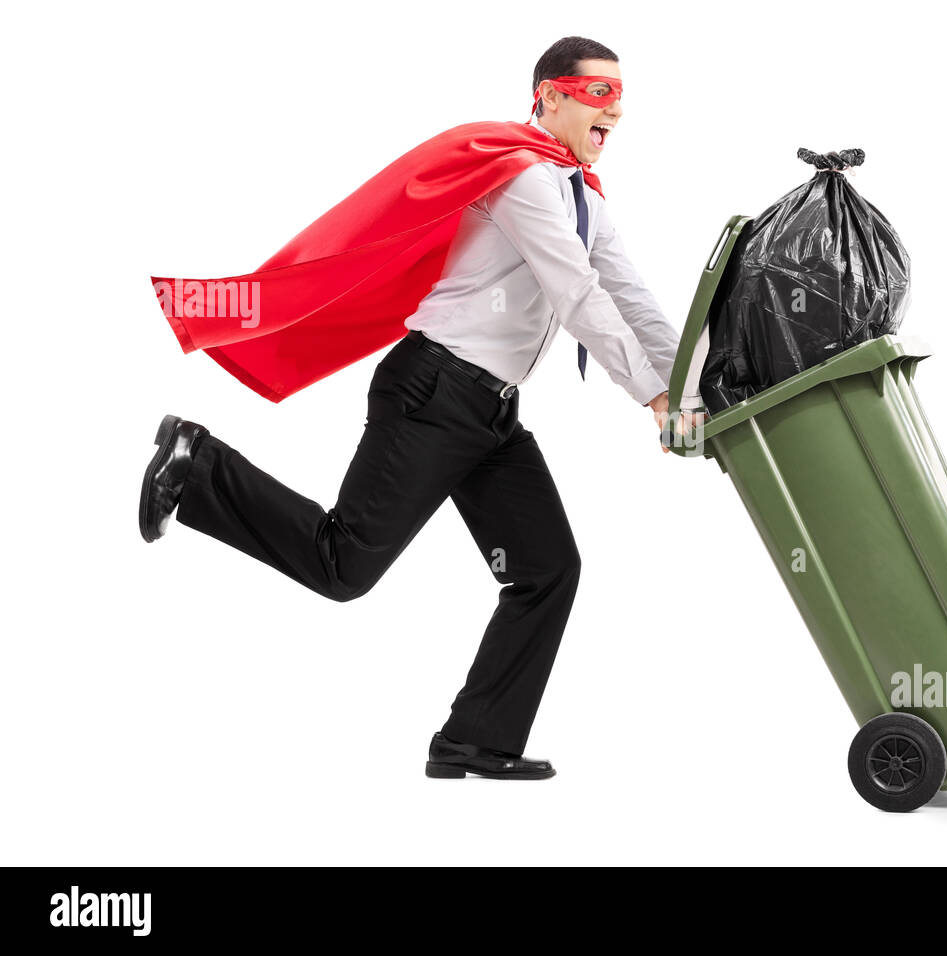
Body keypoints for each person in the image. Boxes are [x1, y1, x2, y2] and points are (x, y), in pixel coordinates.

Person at [139, 36, 700, 781]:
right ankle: (198, 465)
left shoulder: (582, 196)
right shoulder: (525, 179)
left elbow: (631, 297)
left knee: (547, 568)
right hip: (434, 393)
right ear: (550, 97)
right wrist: (654, 397)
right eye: (598, 94)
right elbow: (579, 299)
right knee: (342, 565)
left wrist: (691, 388)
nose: (616, 109)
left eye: (621, 95)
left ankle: (476, 740)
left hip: (490, 413)